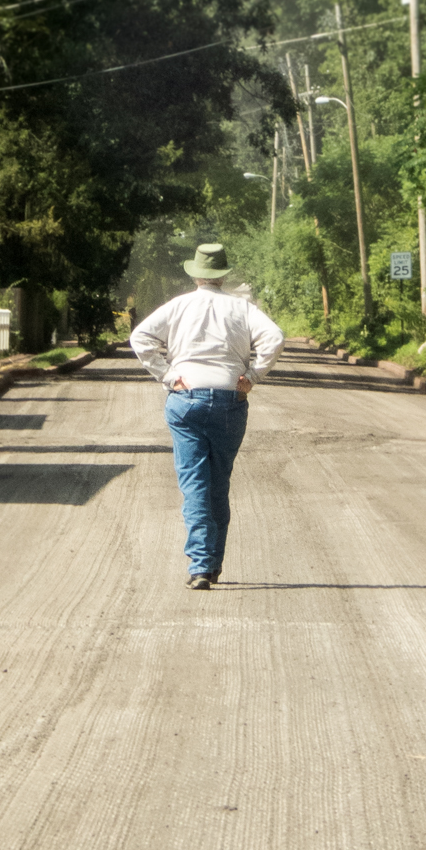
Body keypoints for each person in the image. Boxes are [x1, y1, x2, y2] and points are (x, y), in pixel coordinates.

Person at [130, 243, 285, 590]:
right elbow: (274, 337)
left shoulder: (178, 305)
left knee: (195, 483)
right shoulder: (242, 308)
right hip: (230, 397)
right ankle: (212, 564)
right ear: (223, 276)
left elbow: (140, 337)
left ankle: (201, 566)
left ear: (196, 275)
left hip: (186, 399)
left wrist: (167, 375)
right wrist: (253, 376)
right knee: (218, 483)